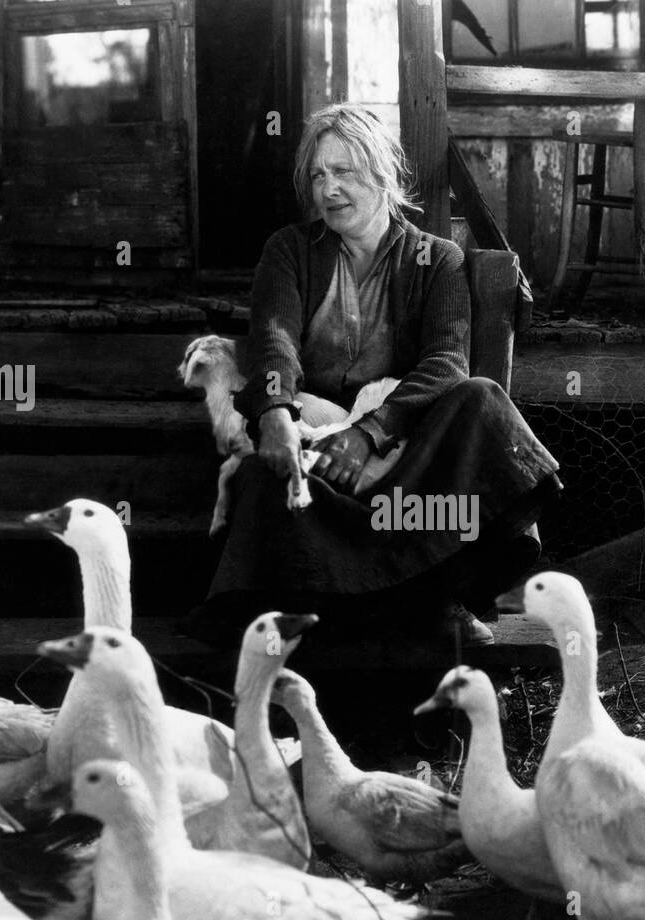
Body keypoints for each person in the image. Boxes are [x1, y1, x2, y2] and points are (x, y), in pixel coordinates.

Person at [181, 104, 560, 647]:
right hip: (318, 454)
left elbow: (445, 362)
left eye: (344, 172)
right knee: (264, 480)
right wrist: (275, 416)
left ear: (383, 175)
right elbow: (274, 342)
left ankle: (436, 595)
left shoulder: (437, 259)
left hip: (403, 449)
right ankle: (385, 607)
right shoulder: (289, 251)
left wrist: (369, 434)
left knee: (480, 397)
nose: (328, 188)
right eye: (318, 175)